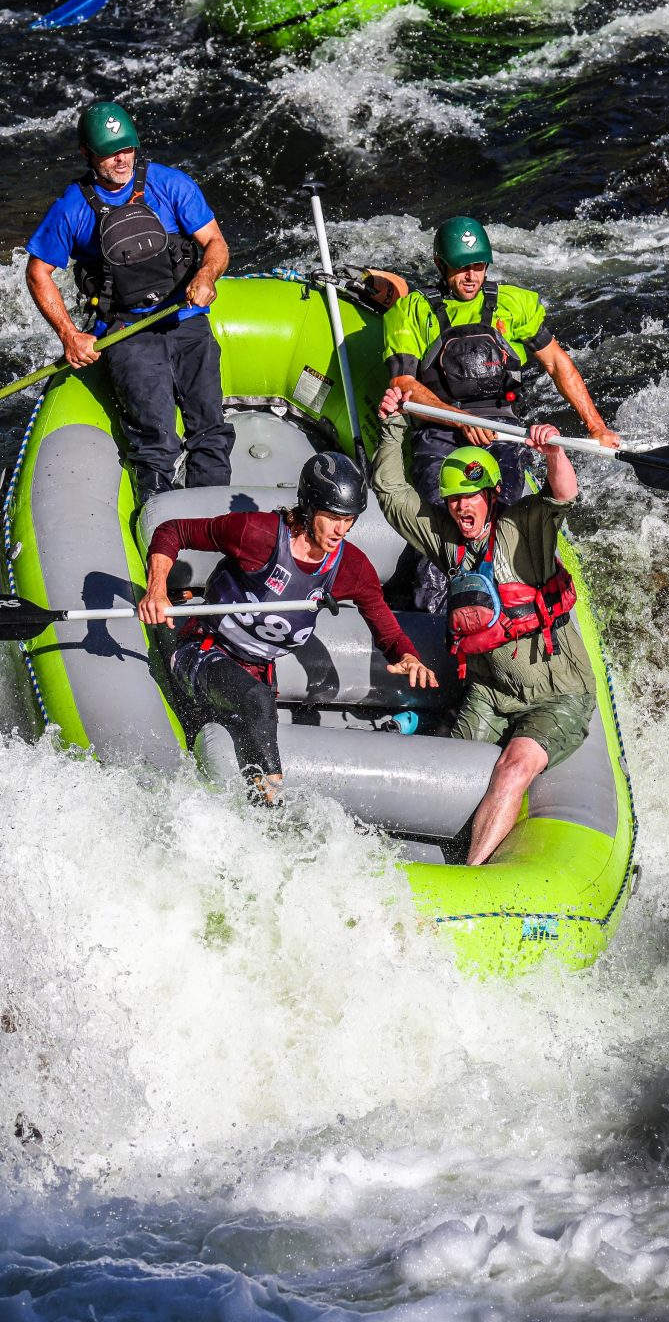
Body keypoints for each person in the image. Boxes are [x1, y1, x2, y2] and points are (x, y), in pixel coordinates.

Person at [370, 383, 595, 865]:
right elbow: (391, 493)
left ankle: (473, 879)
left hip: (557, 694)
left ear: (492, 495)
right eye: (453, 499)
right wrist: (392, 423)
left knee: (513, 769)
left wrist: (552, 450)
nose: (461, 507)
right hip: (491, 691)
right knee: (451, 772)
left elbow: (564, 493)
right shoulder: (447, 540)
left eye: (471, 496)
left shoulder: (525, 526)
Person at [139, 452, 438, 804]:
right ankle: (273, 808)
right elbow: (172, 530)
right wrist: (157, 588)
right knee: (257, 700)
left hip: (254, 675)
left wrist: (407, 656)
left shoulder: (351, 568)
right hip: (202, 651)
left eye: (349, 519)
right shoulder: (256, 533)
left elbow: (384, 624)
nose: (341, 530)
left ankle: (254, 809)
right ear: (309, 509)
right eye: (332, 518)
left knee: (254, 702)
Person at [25, 100, 234, 503]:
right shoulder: (72, 206)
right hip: (125, 330)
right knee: (157, 439)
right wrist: (70, 336)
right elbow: (38, 273)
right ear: (87, 153)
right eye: (109, 153)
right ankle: (161, 531)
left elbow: (215, 242)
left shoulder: (171, 184)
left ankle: (211, 520)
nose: (121, 161)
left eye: (127, 150)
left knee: (210, 426)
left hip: (183, 316)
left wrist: (207, 275)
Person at [382, 215, 619, 508]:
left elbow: (557, 364)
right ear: (440, 264)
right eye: (462, 267)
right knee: (444, 510)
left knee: (502, 508)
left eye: (478, 266)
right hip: (439, 432)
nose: (471, 277)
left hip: (505, 430)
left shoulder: (513, 304)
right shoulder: (411, 311)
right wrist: (462, 421)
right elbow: (403, 384)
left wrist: (596, 427)